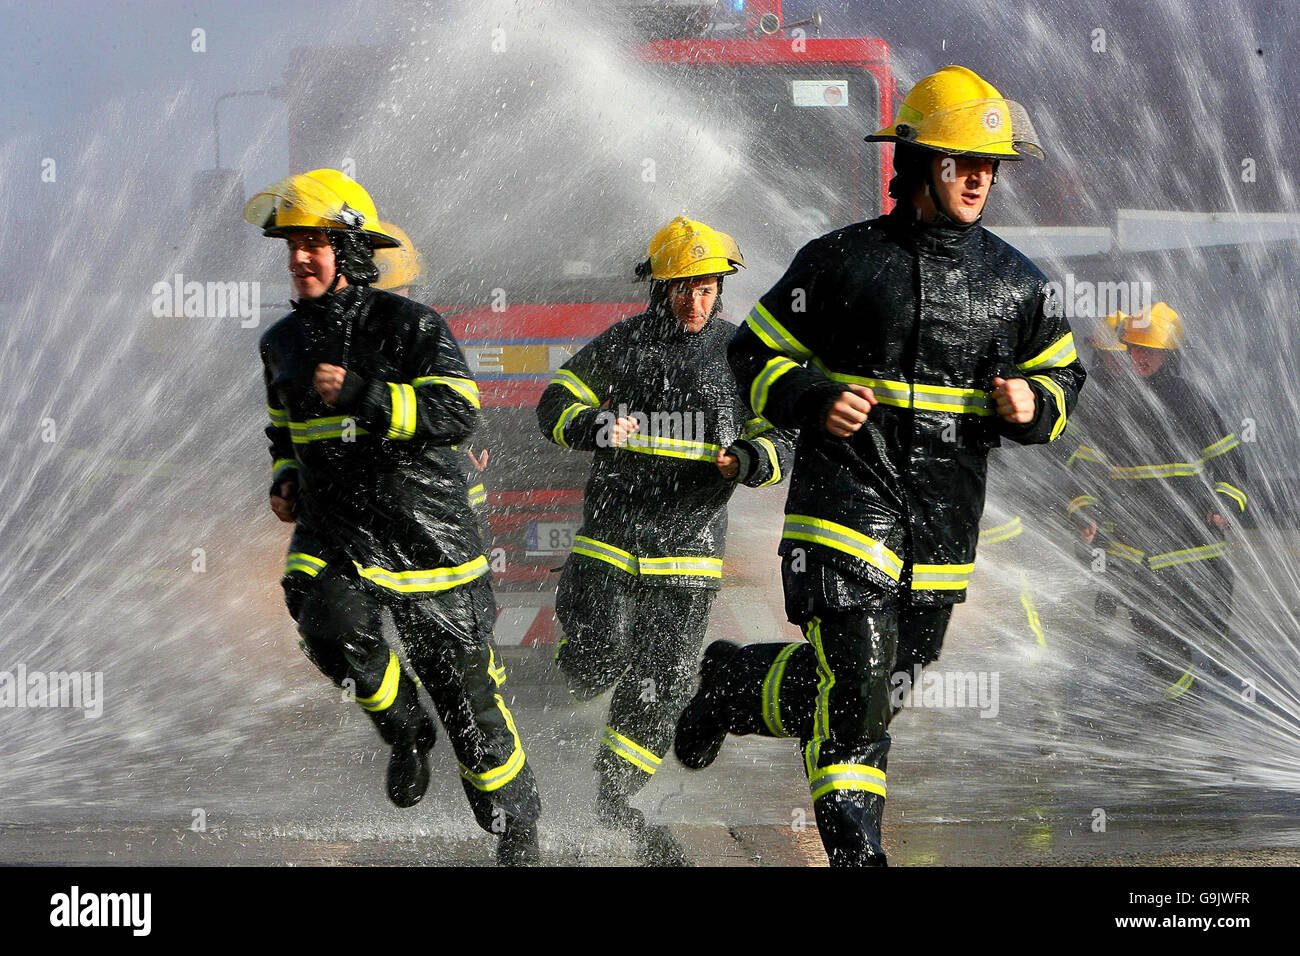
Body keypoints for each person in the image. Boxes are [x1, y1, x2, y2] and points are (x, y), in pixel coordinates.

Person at [674, 66, 1086, 866]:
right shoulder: (840, 263)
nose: (978, 179)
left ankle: (730, 685)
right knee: (859, 687)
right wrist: (812, 395)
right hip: (843, 508)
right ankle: (858, 856)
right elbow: (753, 351)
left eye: (989, 166)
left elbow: (1066, 376)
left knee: (878, 686)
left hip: (942, 527)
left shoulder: (1018, 287)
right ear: (920, 162)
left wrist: (1037, 404)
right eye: (962, 161)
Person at [246, 169, 542, 865]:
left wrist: (363, 394)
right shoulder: (281, 343)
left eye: (313, 242)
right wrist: (286, 478)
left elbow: (455, 412)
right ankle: (407, 732)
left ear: (348, 249)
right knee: (324, 618)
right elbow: (282, 432)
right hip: (336, 531)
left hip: (428, 536)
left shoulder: (412, 327)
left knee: (470, 707)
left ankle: (518, 829)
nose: (298, 257)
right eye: (291, 244)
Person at [536, 217, 794, 865]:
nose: (694, 301)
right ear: (659, 288)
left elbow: (781, 434)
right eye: (681, 288)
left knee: (668, 679)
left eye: (705, 288)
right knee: (600, 654)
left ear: (719, 287)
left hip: (689, 551)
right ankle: (584, 660)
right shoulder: (624, 345)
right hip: (611, 544)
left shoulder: (741, 353)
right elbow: (555, 404)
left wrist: (749, 457)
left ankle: (617, 796)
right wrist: (596, 426)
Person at [1071, 303, 1248, 699]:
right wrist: (1086, 512)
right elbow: (1086, 468)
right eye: (1133, 348)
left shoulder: (1190, 401)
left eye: (1149, 350)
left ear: (1170, 354)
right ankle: (1175, 713)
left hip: (1192, 551)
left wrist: (1224, 505)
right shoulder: (1112, 405)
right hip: (1136, 555)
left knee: (1192, 642)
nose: (1140, 357)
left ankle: (1178, 714)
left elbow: (1230, 465)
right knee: (1155, 651)